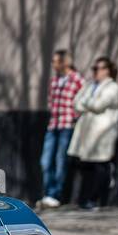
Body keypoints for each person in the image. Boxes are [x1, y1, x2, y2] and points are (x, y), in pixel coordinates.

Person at [68, 56, 118, 211]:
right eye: (94, 68)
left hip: (103, 133)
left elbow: (98, 105)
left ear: (107, 71)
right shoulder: (89, 85)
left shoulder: (112, 88)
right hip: (87, 133)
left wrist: (85, 103)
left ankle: (95, 200)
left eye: (98, 68)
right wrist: (85, 103)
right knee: (87, 168)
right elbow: (75, 102)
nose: (95, 72)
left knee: (100, 166)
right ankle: (84, 200)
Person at [39, 49, 84, 208]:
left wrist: (74, 117)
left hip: (67, 125)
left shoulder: (77, 79)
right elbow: (51, 101)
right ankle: (49, 192)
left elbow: (83, 99)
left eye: (56, 61)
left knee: (60, 161)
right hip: (53, 125)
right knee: (45, 161)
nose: (53, 64)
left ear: (65, 62)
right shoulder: (54, 81)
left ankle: (55, 195)